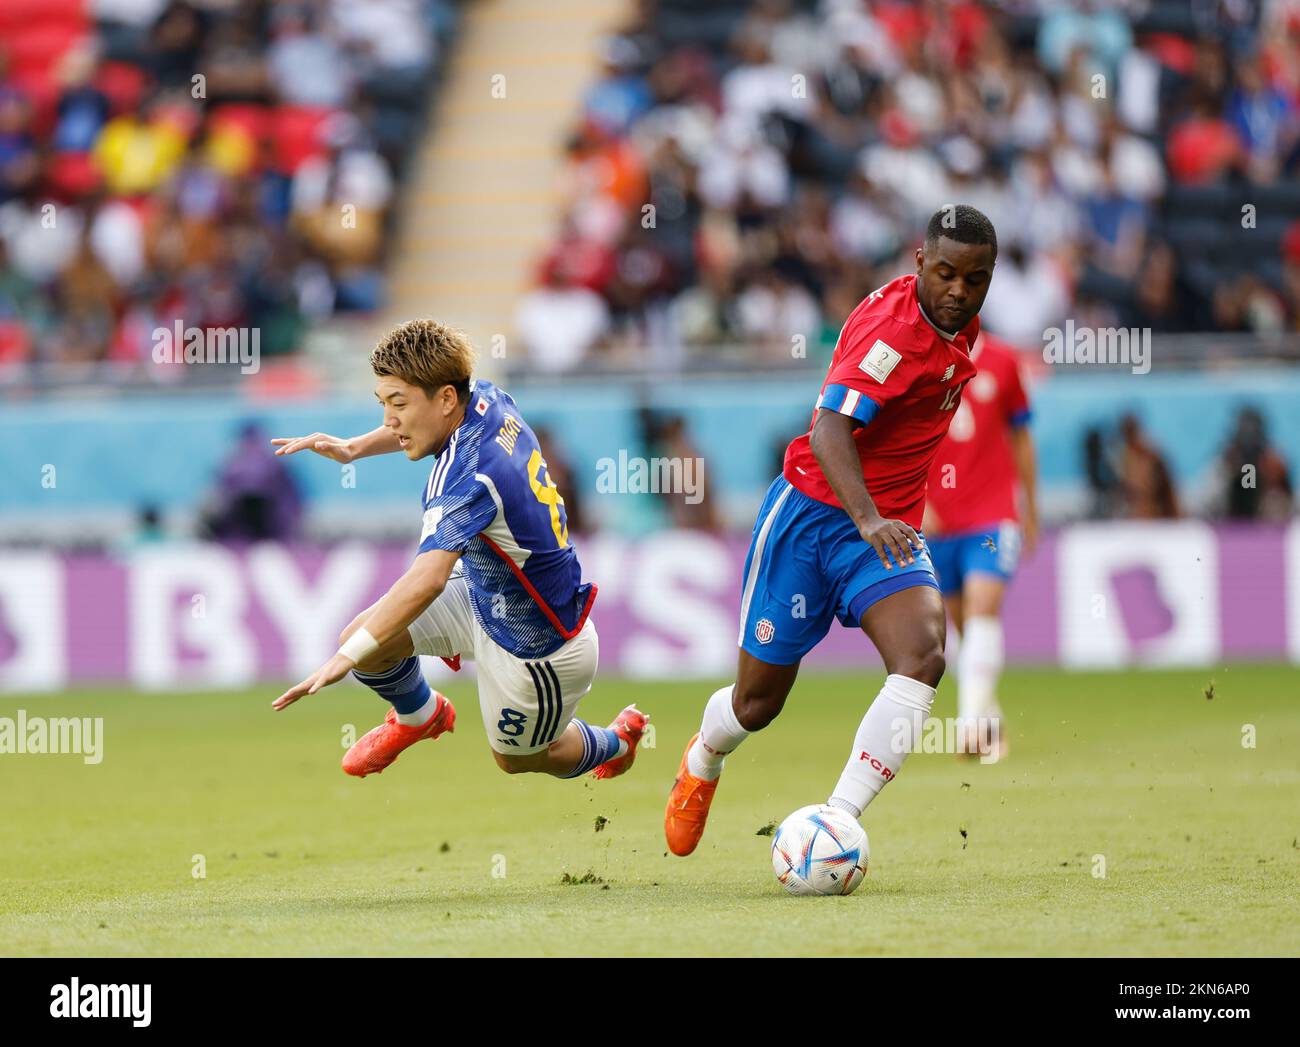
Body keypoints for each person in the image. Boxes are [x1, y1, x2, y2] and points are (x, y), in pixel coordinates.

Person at [665, 205, 997, 857]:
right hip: (813, 521)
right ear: (920, 263)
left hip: (883, 536)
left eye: (976, 278)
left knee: (925, 654)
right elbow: (827, 430)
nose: (960, 290)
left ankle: (836, 820)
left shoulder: (960, 322)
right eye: (947, 273)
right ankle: (703, 758)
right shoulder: (890, 335)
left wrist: (882, 521)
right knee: (757, 705)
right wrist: (867, 515)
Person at [269, 319, 646, 782]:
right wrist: (354, 447)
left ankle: (616, 741)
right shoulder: (484, 397)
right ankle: (419, 716)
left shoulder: (469, 476)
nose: (390, 419)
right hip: (483, 595)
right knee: (366, 639)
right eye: (384, 403)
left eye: (399, 403)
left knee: (517, 759)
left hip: (538, 643)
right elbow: (414, 427)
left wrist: (341, 663)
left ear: (446, 398)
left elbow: (426, 581)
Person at [923, 331, 1038, 759]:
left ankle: (970, 726)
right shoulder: (916, 358)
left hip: (993, 516)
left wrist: (1031, 507)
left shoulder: (1005, 361)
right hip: (938, 522)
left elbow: (1022, 438)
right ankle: (989, 721)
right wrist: (918, 502)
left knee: (982, 609)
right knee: (960, 629)